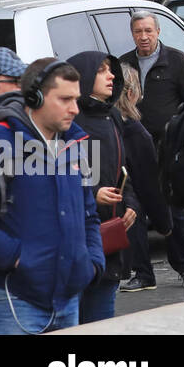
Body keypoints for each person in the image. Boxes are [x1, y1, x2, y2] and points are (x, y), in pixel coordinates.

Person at [0, 58, 103, 334]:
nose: (75, 109)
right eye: (65, 99)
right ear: (35, 96)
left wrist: (91, 262)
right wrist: (17, 258)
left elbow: (89, 215)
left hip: (69, 302)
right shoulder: (3, 143)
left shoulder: (75, 144)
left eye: (76, 99)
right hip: (16, 302)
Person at [118, 12, 184, 291]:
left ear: (158, 31)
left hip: (167, 152)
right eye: (138, 31)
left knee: (171, 213)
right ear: (132, 34)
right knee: (134, 212)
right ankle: (143, 274)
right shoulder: (123, 64)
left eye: (148, 31)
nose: (144, 36)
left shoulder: (176, 61)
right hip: (133, 151)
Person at [66, 52, 137, 324]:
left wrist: (131, 203)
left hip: (111, 241)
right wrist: (93, 193)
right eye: (102, 71)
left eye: (112, 70)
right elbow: (59, 173)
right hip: (79, 241)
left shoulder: (113, 117)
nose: (112, 76)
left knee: (102, 323)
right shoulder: (70, 121)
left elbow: (124, 170)